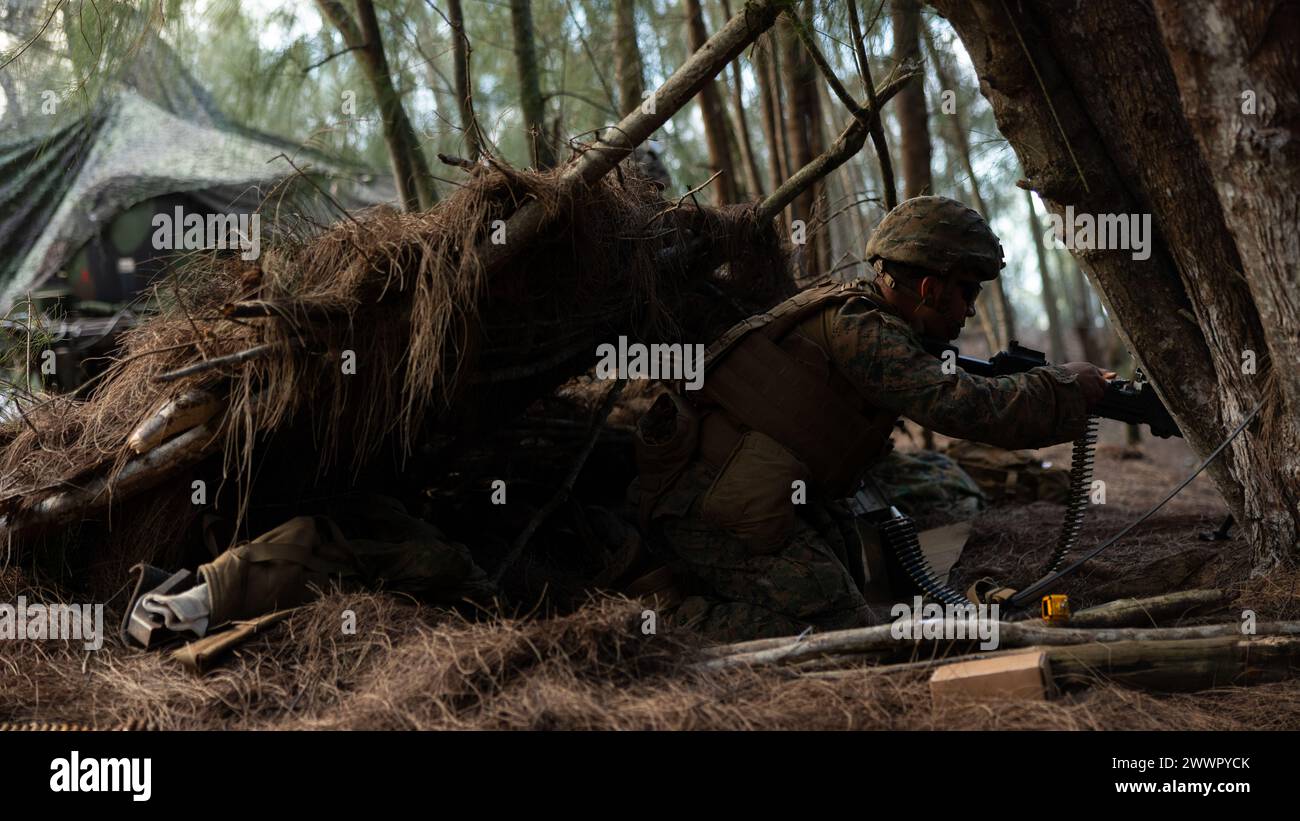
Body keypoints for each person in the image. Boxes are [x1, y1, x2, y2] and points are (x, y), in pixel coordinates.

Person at [631, 196, 1112, 642]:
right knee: (839, 628)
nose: (969, 310)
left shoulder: (858, 314)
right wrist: (1063, 388)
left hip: (744, 498)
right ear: (929, 287)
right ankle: (668, 617)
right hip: (712, 512)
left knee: (862, 594)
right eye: (967, 291)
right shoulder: (862, 329)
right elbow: (962, 406)